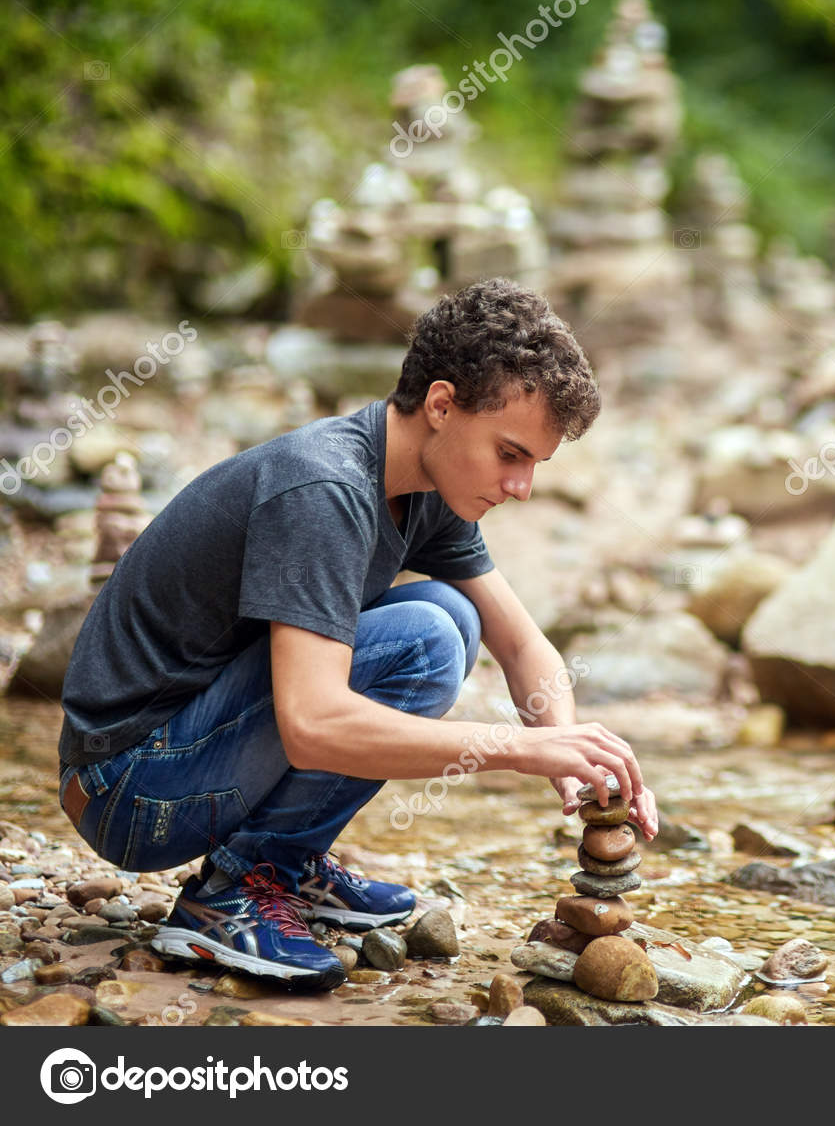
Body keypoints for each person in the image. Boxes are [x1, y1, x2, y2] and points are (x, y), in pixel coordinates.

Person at [55, 278, 655, 991]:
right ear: (440, 405)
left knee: (454, 619)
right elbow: (312, 723)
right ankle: (233, 893)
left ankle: (283, 866)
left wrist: (575, 750)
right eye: (510, 453)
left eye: (533, 464)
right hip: (128, 786)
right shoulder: (325, 488)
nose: (522, 485)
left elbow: (524, 645)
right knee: (428, 636)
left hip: (179, 757)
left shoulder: (424, 489)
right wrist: (518, 748)